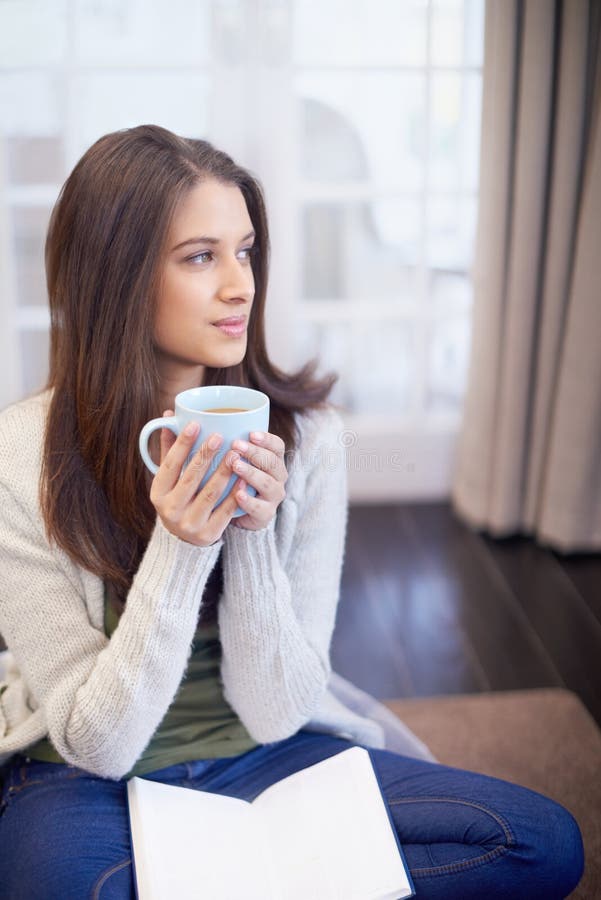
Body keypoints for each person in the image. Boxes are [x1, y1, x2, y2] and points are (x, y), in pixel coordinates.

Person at [0, 124, 584, 899]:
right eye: (200, 257)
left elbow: (276, 712)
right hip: (84, 779)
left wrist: (249, 531)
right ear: (114, 273)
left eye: (244, 251)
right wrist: (180, 546)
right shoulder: (21, 454)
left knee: (538, 842)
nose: (240, 285)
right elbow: (97, 744)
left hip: (263, 752)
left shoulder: (306, 439)